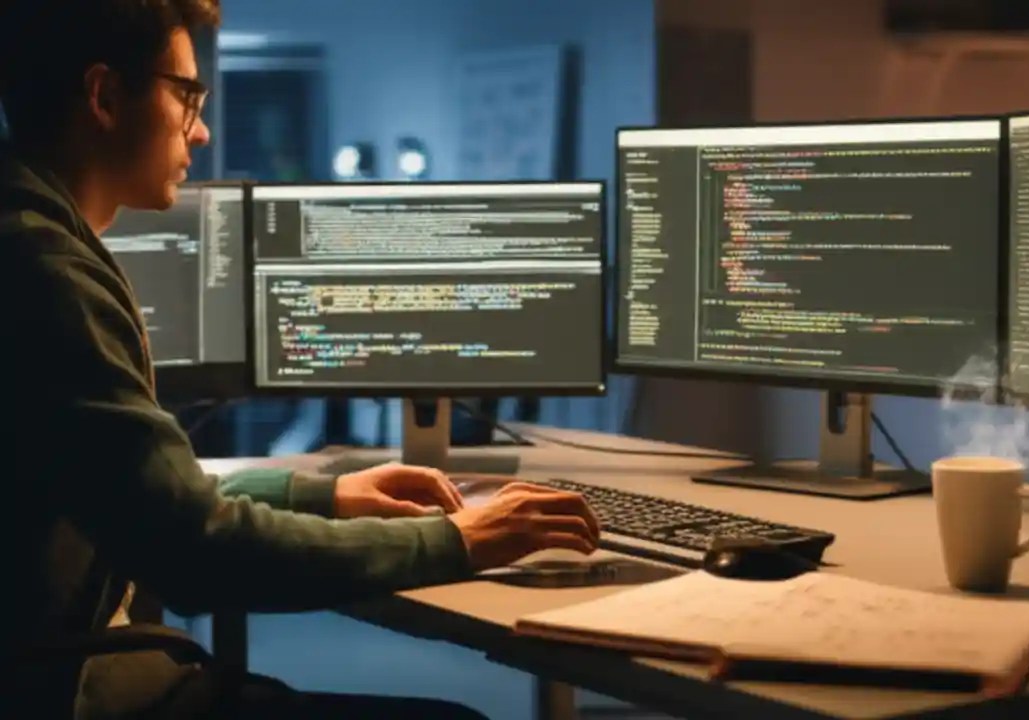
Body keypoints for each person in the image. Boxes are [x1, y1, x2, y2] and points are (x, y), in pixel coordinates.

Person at [0, 1, 601, 718]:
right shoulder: (46, 274)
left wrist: (322, 495)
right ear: (103, 96)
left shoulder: (38, 240)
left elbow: (140, 493)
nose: (203, 128)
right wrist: (453, 540)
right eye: (187, 94)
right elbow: (192, 550)